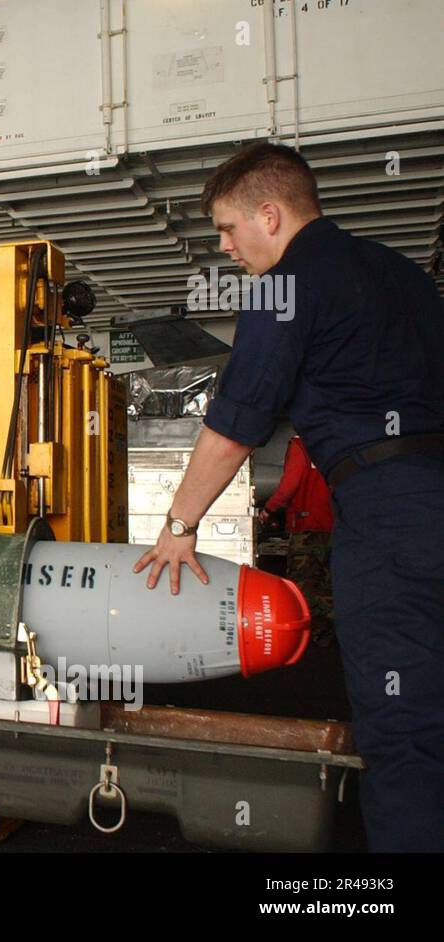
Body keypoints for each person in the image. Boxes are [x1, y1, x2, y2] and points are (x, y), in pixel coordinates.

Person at [132, 142, 444, 852]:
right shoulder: (404, 275)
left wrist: (178, 526)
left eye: (227, 229)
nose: (225, 247)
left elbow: (234, 423)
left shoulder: (286, 286)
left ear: (269, 215)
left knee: (404, 733)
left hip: (389, 518)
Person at [260, 435, 335, 645]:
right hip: (337, 525)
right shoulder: (337, 440)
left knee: (303, 585)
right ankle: (327, 633)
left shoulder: (302, 445)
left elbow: (290, 483)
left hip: (307, 525)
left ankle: (308, 634)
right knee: (330, 581)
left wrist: (270, 508)